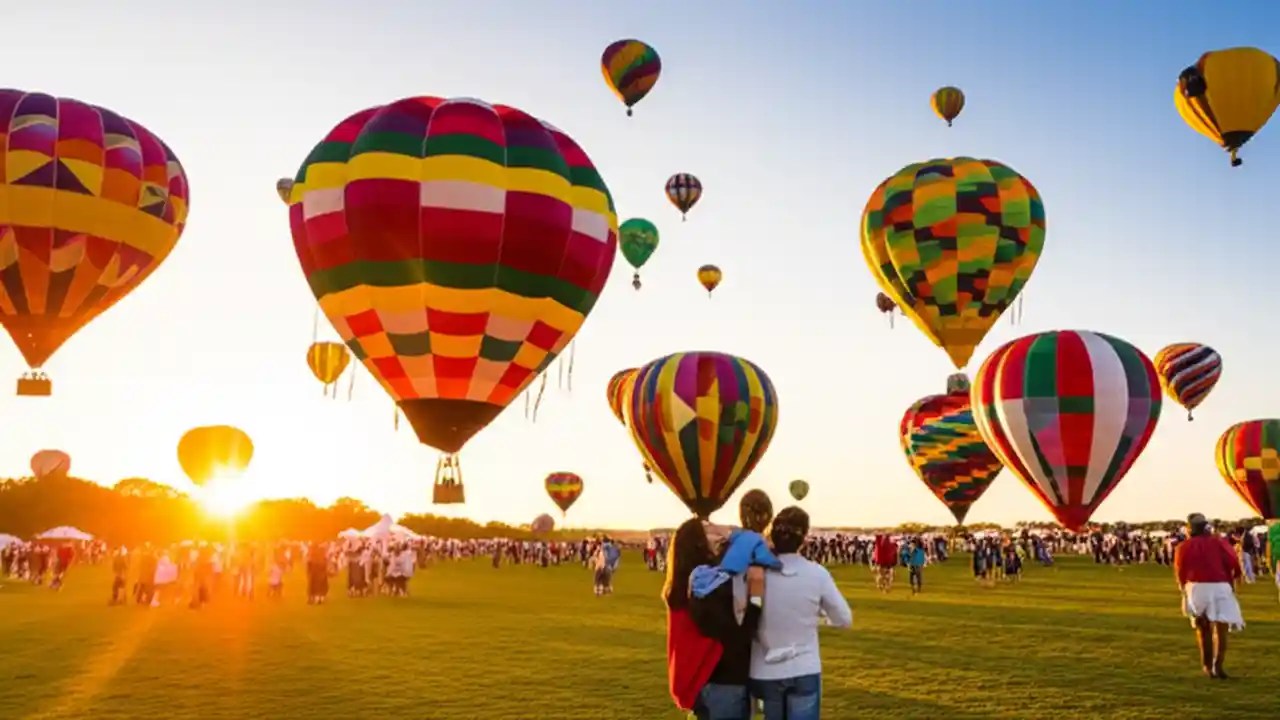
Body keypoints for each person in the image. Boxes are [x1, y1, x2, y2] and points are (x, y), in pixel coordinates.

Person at [750, 506, 852, 719]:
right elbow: (843, 619)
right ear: (804, 539)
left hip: (765, 668)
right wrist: (820, 619)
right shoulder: (816, 573)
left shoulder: (756, 573)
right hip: (803, 666)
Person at [664, 517, 762, 719]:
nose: (716, 529)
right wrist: (757, 595)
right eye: (707, 529)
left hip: (708, 678)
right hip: (723, 680)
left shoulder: (689, 584)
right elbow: (739, 630)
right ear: (698, 541)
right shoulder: (705, 583)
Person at [1174, 512, 1244, 679]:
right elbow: (1233, 561)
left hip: (1196, 587)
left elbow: (1180, 569)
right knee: (1221, 629)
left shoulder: (1183, 547)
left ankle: (1207, 666)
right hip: (1220, 585)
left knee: (1203, 628)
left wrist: (1183, 588)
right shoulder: (1219, 541)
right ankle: (1218, 665)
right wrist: (1234, 578)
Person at [691, 490, 781, 609]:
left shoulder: (725, 547)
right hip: (756, 611)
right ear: (767, 517)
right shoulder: (771, 552)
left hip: (728, 612)